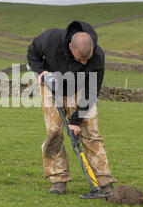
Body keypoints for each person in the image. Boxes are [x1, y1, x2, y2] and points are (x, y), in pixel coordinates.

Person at [27, 20, 117, 195]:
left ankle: (104, 181)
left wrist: (75, 120)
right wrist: (40, 71)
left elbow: (92, 91)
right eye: (79, 59)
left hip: (81, 89)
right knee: (54, 132)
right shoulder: (51, 40)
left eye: (87, 59)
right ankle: (58, 179)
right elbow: (32, 51)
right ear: (70, 47)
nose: (84, 63)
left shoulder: (97, 56)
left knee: (90, 133)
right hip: (52, 85)